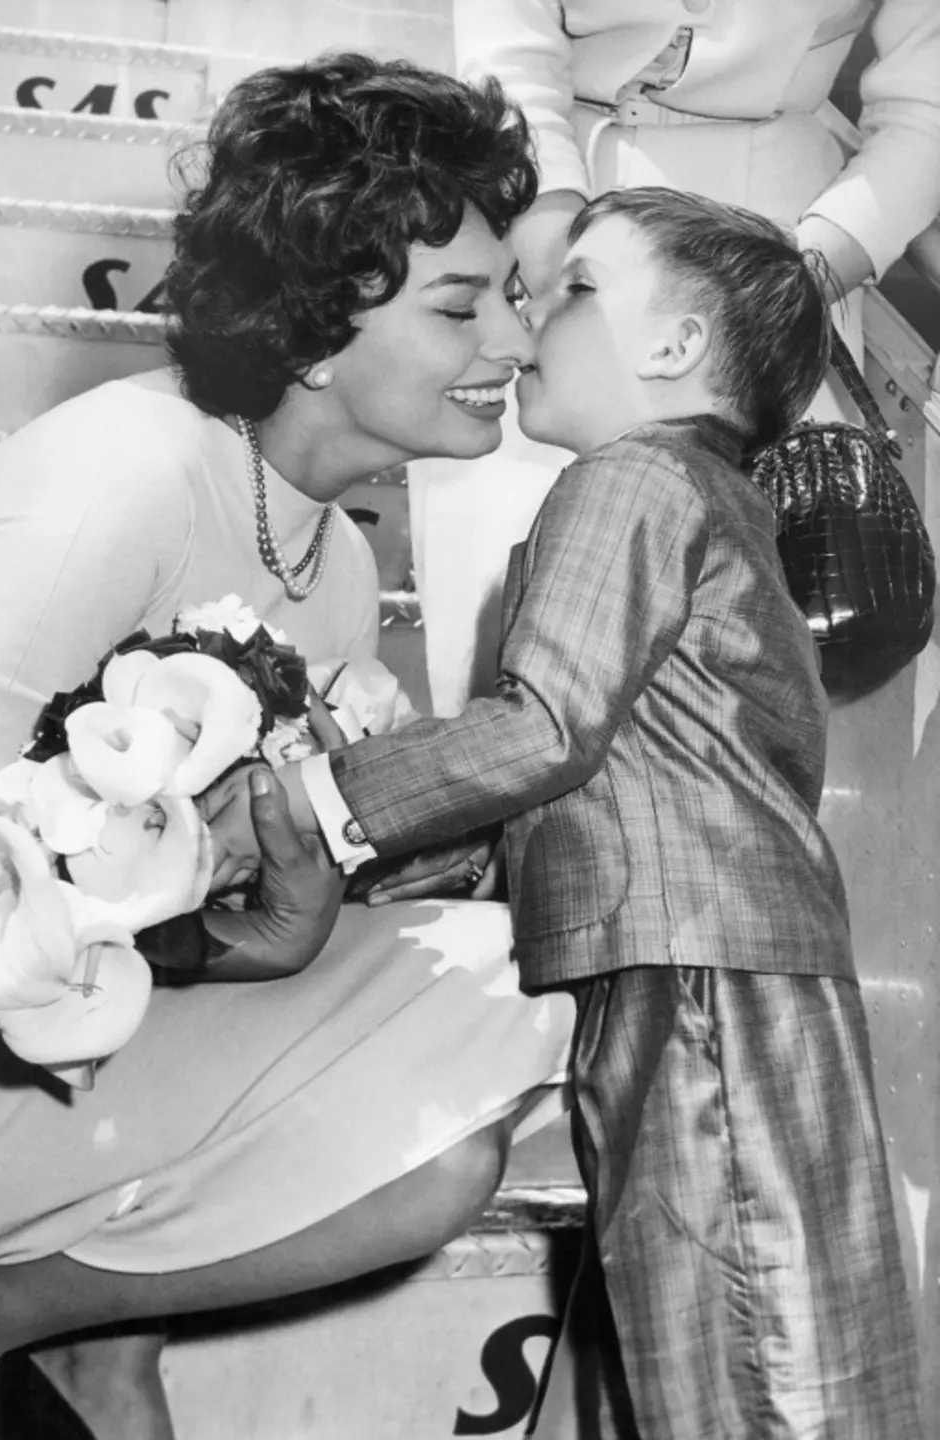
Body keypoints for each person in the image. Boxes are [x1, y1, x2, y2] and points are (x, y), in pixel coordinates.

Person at [0, 54, 577, 1440]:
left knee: (482, 1061)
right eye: (460, 305)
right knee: (455, 1077)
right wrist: (213, 939)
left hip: (41, 1005)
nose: (515, 342)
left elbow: (211, 891)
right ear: (316, 330)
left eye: (514, 297)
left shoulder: (339, 566)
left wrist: (295, 907)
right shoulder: (118, 479)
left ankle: (96, 1337)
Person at [212, 187, 922, 1436]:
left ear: (675, 350)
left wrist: (312, 803)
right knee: (733, 1338)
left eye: (575, 288)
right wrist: (399, 852)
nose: (529, 314)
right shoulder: (714, 505)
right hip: (720, 959)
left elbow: (544, 730)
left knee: (753, 1367)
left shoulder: (629, 482)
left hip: (698, 970)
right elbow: (593, 774)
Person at [413, 0, 940, 715]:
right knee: (508, 627)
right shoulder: (550, 268)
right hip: (544, 193)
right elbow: (510, 55)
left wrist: (782, 296)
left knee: (751, 653)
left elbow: (928, 102)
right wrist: (563, 286)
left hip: (788, 236)